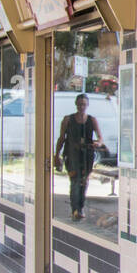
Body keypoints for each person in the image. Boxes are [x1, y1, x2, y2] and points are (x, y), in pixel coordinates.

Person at [54, 93, 104, 222]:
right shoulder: (68, 119)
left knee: (84, 180)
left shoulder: (92, 120)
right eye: (80, 104)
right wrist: (56, 155)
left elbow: (100, 137)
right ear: (76, 104)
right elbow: (61, 138)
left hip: (87, 154)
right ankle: (75, 209)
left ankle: (80, 207)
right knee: (75, 180)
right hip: (72, 154)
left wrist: (98, 143)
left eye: (84, 104)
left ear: (87, 105)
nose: (82, 107)